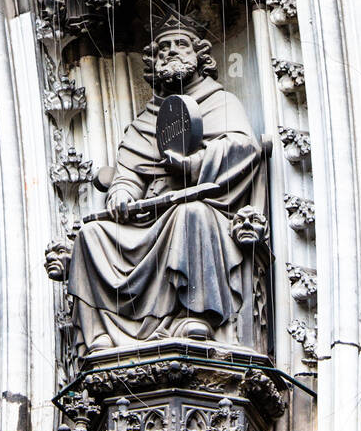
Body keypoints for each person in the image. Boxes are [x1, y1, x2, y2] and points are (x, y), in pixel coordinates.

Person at [68, 20, 264, 349]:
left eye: (180, 45)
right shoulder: (146, 120)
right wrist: (121, 194)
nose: (171, 52)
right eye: (162, 49)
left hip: (202, 209)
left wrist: (194, 164)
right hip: (150, 218)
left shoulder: (220, 103)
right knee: (91, 235)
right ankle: (99, 335)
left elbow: (244, 148)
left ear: (200, 56)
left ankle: (195, 316)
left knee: (191, 214)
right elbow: (128, 173)